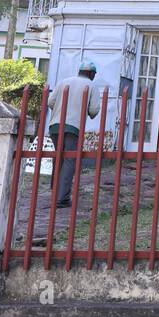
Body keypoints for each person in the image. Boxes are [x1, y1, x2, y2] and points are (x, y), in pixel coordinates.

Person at [44, 60, 104, 208]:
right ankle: (62, 198)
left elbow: (50, 102)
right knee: (70, 160)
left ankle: (55, 192)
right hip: (73, 128)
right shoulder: (91, 86)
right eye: (94, 74)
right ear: (91, 73)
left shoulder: (64, 82)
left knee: (58, 159)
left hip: (55, 126)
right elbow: (93, 111)